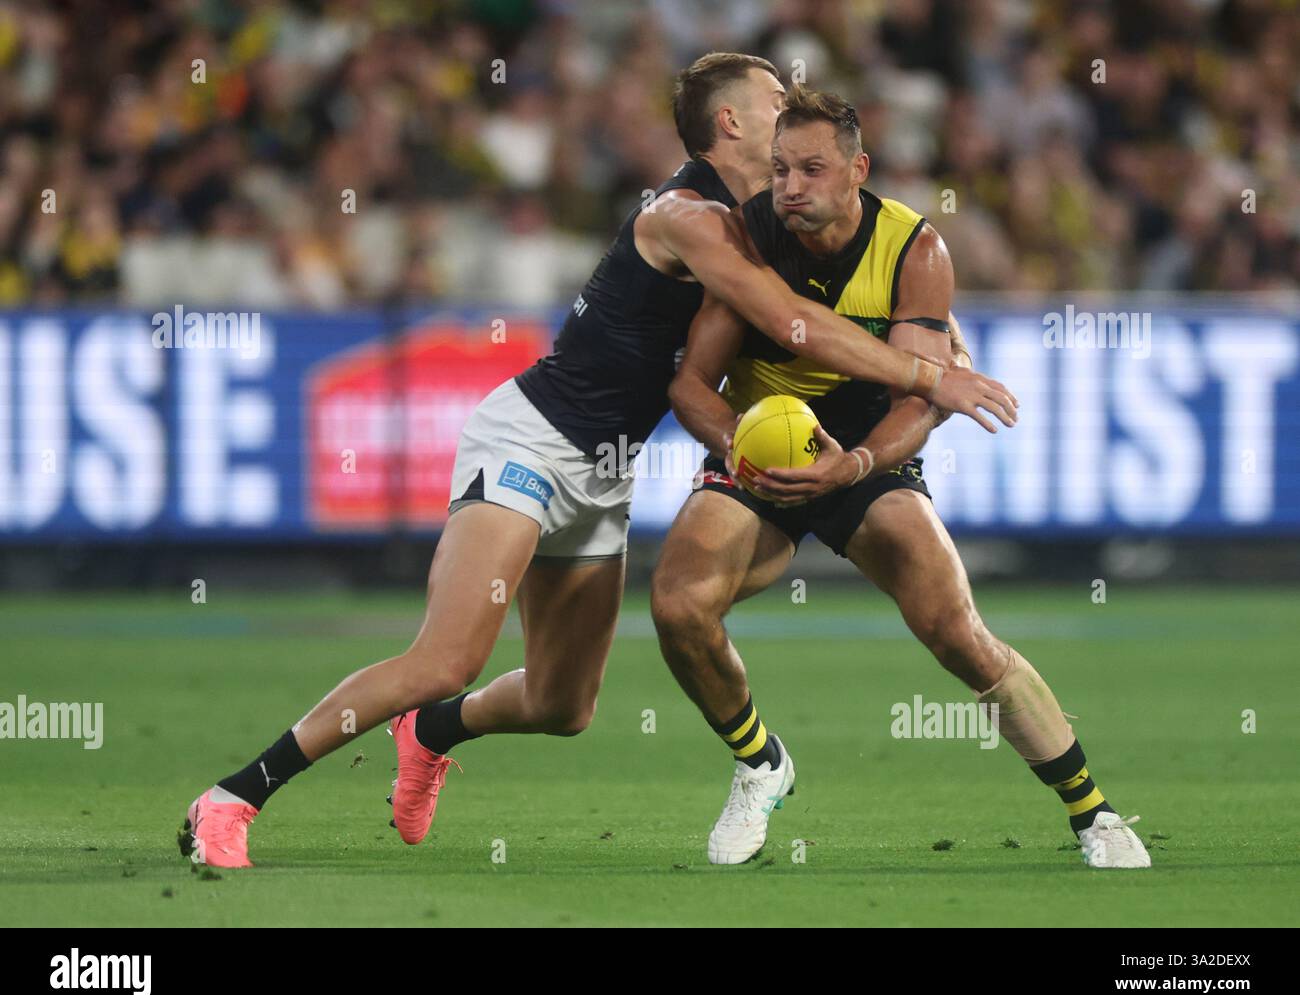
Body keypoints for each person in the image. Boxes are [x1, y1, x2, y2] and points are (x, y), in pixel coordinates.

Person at [178, 56, 1018, 869]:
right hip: (531, 442)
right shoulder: (690, 217)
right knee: (446, 658)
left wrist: (929, 330)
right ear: (731, 122)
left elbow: (851, 295)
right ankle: (233, 798)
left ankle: (430, 732)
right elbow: (793, 322)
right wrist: (931, 373)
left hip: (603, 470)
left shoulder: (763, 220)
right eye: (775, 96)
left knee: (561, 704)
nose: (791, 101)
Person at [651, 87, 1148, 869]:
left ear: (859, 170)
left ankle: (1094, 813)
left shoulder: (915, 250)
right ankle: (759, 763)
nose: (790, 187)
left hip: (865, 453)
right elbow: (689, 385)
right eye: (780, 169)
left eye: (812, 169)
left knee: (959, 635)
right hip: (761, 455)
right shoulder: (742, 238)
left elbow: (924, 396)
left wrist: (852, 464)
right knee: (678, 604)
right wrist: (737, 447)